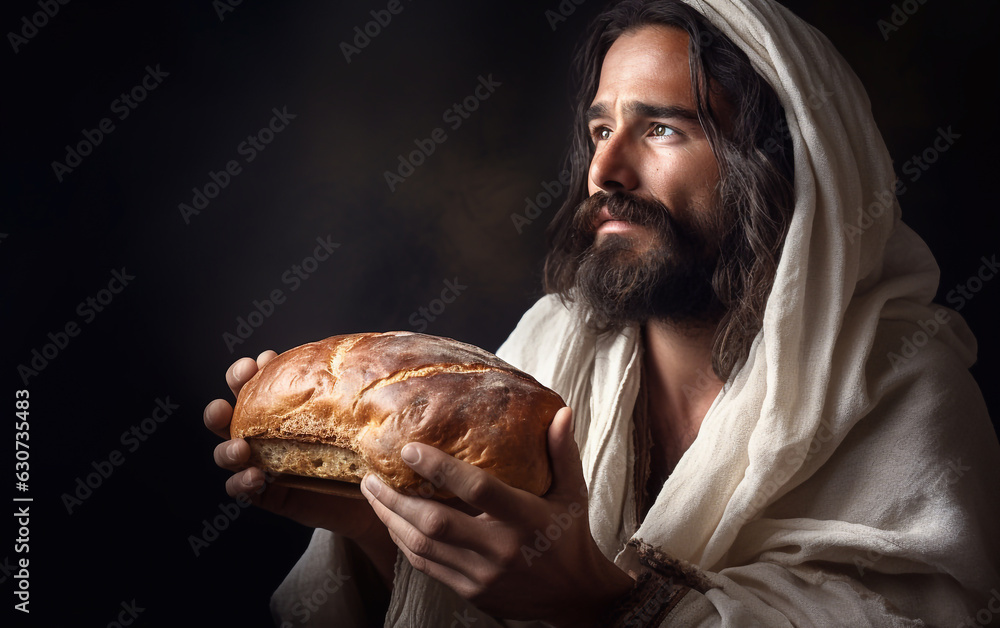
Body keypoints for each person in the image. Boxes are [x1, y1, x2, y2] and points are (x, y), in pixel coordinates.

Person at [204, 0, 1000, 625]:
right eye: (598, 129)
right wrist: (377, 527)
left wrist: (602, 606)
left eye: (660, 128)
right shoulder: (553, 343)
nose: (603, 171)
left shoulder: (901, 385)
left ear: (785, 165)